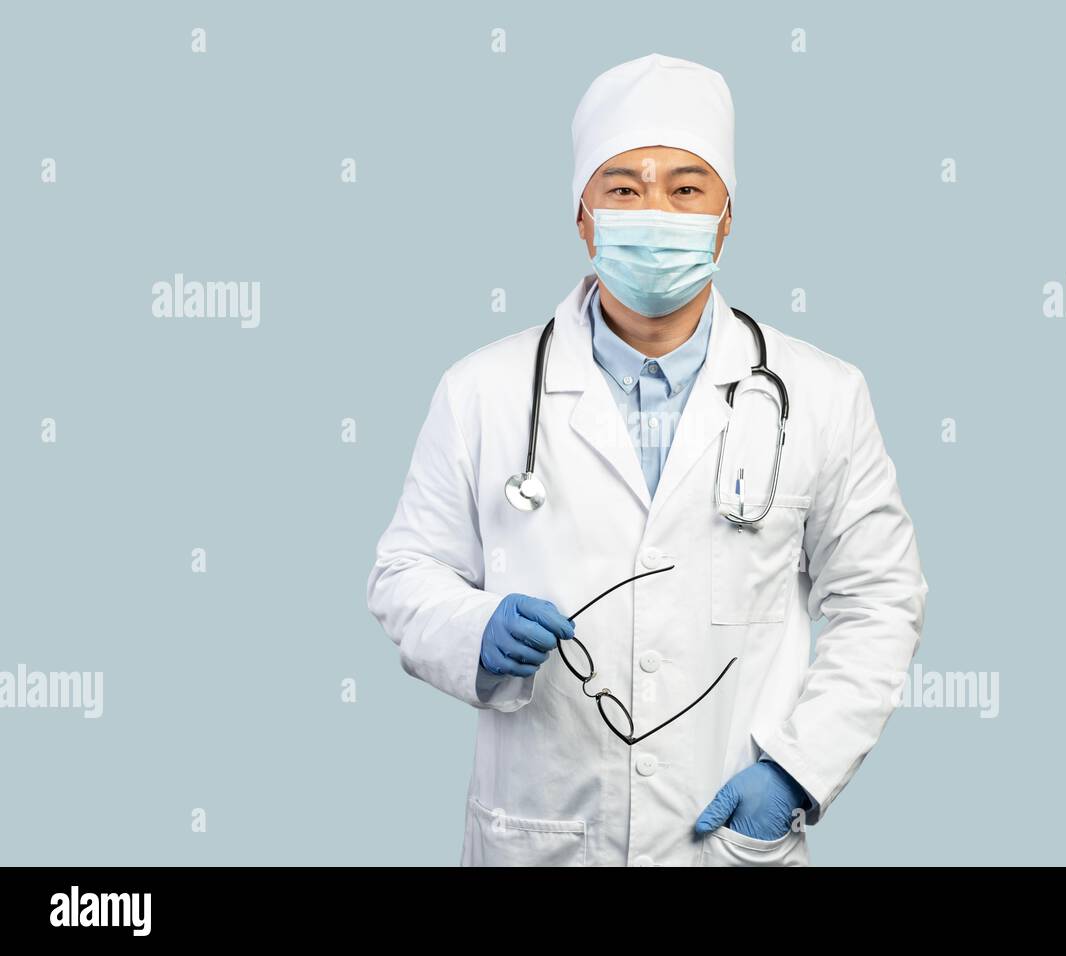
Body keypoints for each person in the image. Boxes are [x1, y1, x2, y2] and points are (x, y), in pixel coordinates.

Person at [366, 52, 928, 867]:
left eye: (686, 189)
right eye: (623, 188)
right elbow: (402, 573)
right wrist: (472, 628)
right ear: (583, 215)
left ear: (727, 215)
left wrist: (797, 771)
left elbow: (881, 599)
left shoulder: (825, 395)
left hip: (726, 834)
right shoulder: (480, 391)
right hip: (538, 835)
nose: (655, 211)